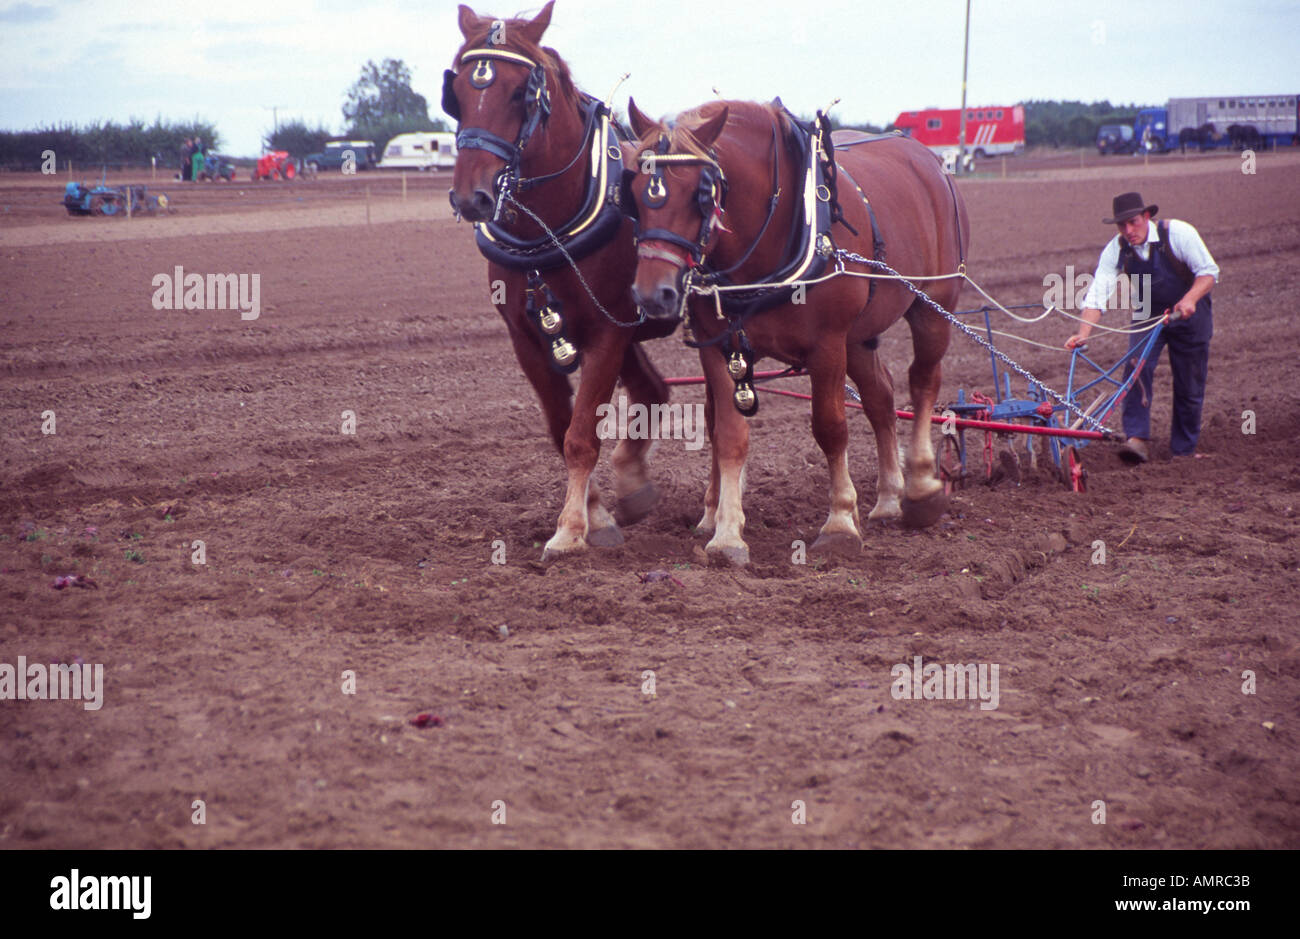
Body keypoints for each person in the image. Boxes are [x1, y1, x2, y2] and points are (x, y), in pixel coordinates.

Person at [1064, 192, 1218, 463]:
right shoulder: (1117, 248)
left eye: (1133, 222)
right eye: (1122, 226)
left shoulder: (1179, 233)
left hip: (1189, 314)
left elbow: (1208, 272)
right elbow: (1098, 294)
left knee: (1189, 382)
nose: (1128, 230)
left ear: (1147, 217)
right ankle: (1137, 440)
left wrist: (1190, 299)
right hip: (1148, 310)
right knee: (1135, 367)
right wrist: (1083, 333)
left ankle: (1183, 451)